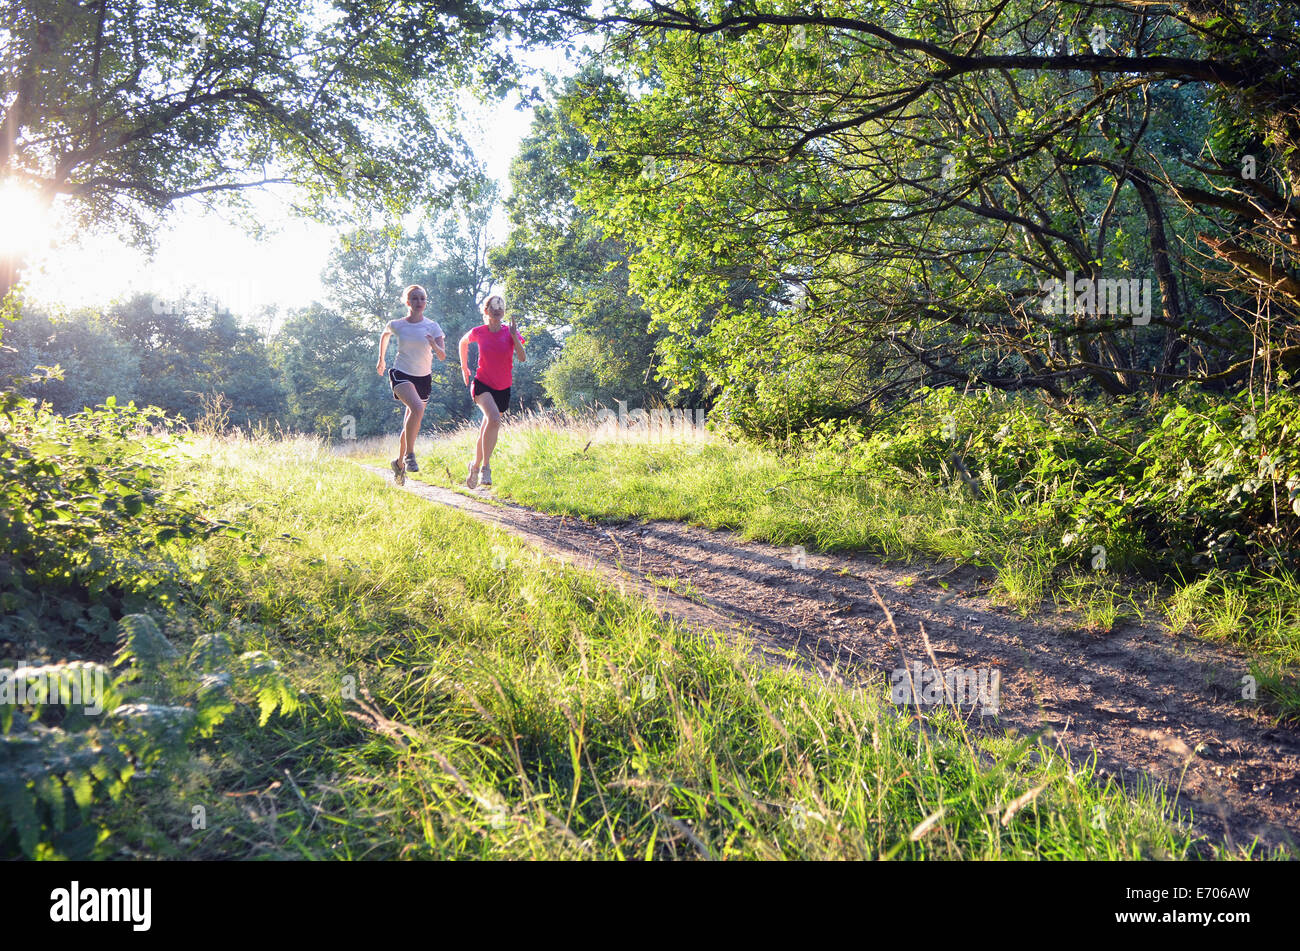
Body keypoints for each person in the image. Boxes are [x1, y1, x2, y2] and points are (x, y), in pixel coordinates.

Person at [376, 285, 445, 485]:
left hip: (423, 378)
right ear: (407, 302)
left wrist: (433, 344)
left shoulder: (433, 326)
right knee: (416, 408)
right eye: (414, 298)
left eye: (422, 298)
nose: (419, 302)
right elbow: (385, 334)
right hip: (401, 373)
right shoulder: (398, 324)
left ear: (425, 302)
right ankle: (410, 455)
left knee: (412, 424)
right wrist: (381, 359)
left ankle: (398, 463)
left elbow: (442, 355)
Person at [459, 293, 525, 488]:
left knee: (487, 428)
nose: (497, 312)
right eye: (493, 309)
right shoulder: (478, 332)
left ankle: (475, 465)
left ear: (504, 312)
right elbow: (463, 343)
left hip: (503, 388)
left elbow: (522, 358)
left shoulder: (510, 332)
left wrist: (514, 335)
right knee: (494, 419)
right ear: (486, 311)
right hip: (482, 384)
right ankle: (486, 468)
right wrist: (464, 367)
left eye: (500, 309)